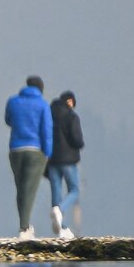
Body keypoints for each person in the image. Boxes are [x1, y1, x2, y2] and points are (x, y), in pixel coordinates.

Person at [5, 75, 54, 239]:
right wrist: (48, 153)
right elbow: (46, 131)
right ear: (41, 89)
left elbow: (8, 120)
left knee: (21, 189)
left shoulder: (13, 102)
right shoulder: (43, 105)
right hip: (35, 150)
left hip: (15, 149)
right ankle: (24, 228)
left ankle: (24, 225)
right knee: (30, 190)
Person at [48, 89, 84, 237]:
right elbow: (77, 139)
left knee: (56, 190)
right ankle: (60, 210)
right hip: (68, 159)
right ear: (70, 101)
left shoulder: (49, 114)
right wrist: (80, 144)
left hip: (52, 159)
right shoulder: (71, 116)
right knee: (74, 190)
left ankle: (61, 228)